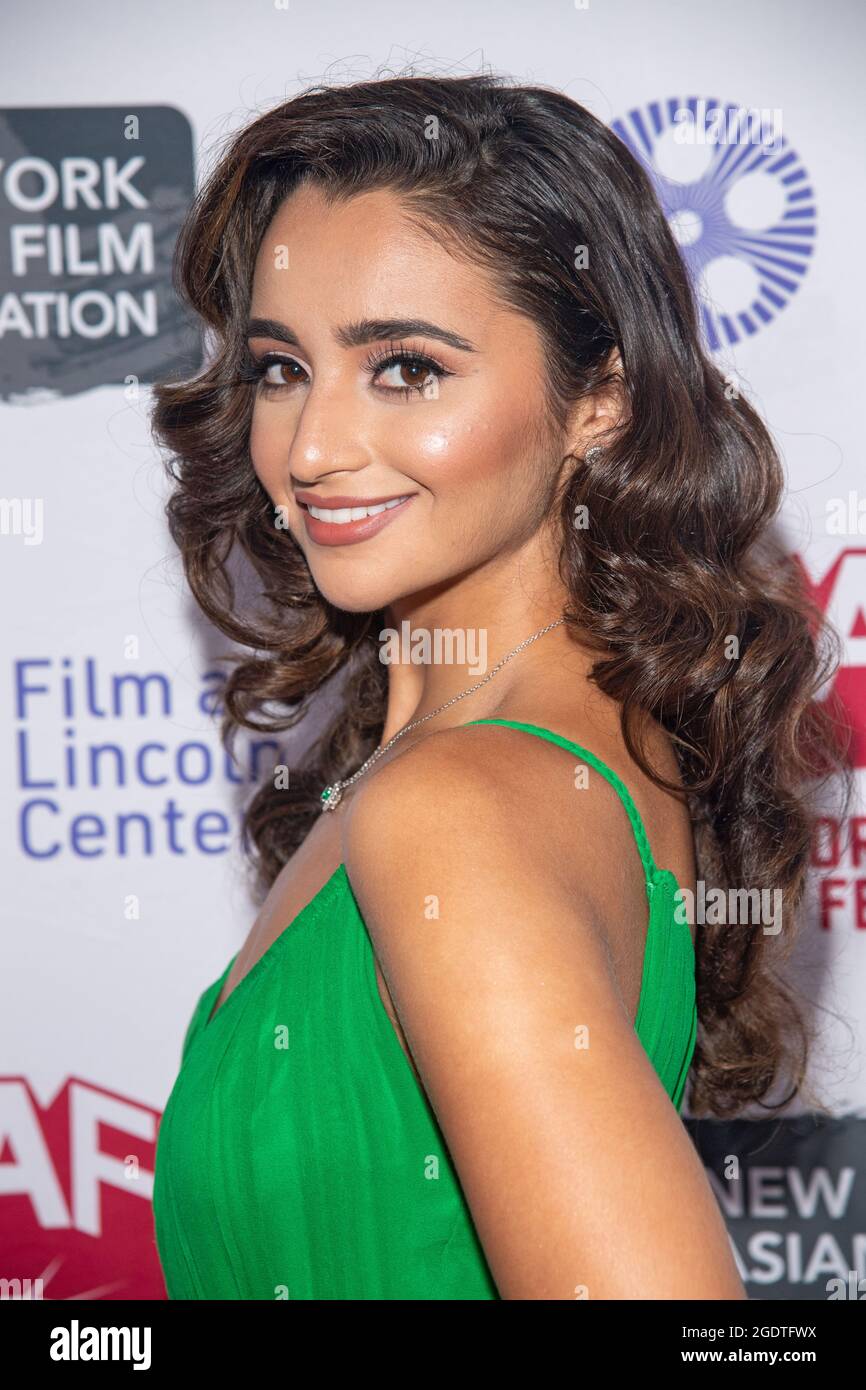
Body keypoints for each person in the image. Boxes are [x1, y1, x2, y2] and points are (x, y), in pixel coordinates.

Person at [150, 72, 848, 1300]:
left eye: (405, 369)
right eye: (277, 367)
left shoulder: (460, 807)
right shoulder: (513, 766)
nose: (308, 449)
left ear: (599, 399)